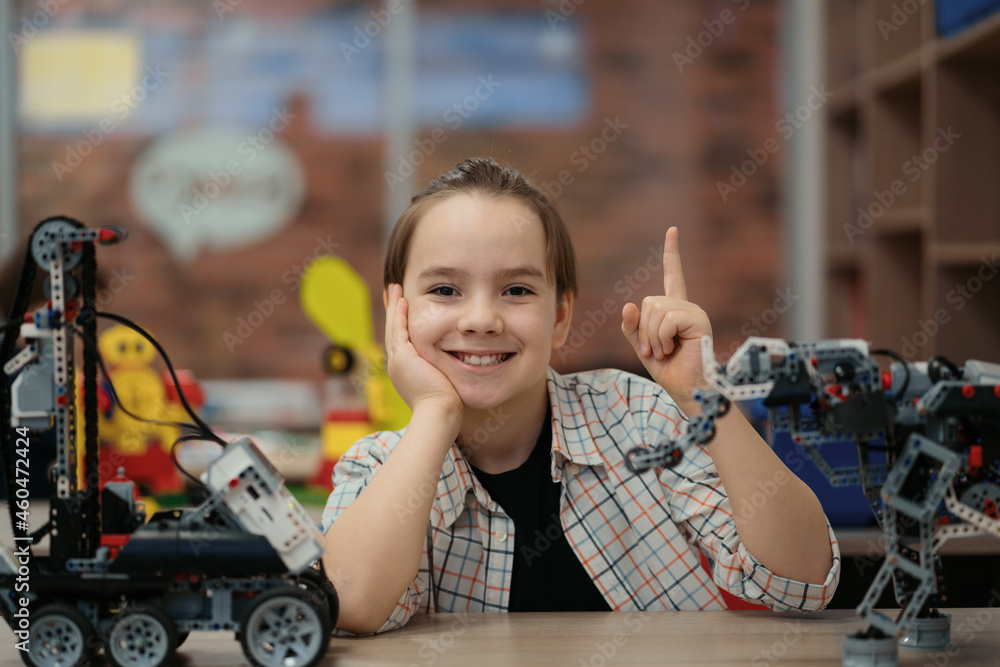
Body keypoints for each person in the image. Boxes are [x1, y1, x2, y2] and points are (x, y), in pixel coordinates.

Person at [321, 157, 840, 635]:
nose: (481, 319)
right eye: (444, 290)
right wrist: (435, 411)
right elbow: (350, 605)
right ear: (398, 312)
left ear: (561, 316)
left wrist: (704, 394)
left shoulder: (640, 418)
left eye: (517, 290)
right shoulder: (378, 467)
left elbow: (802, 582)